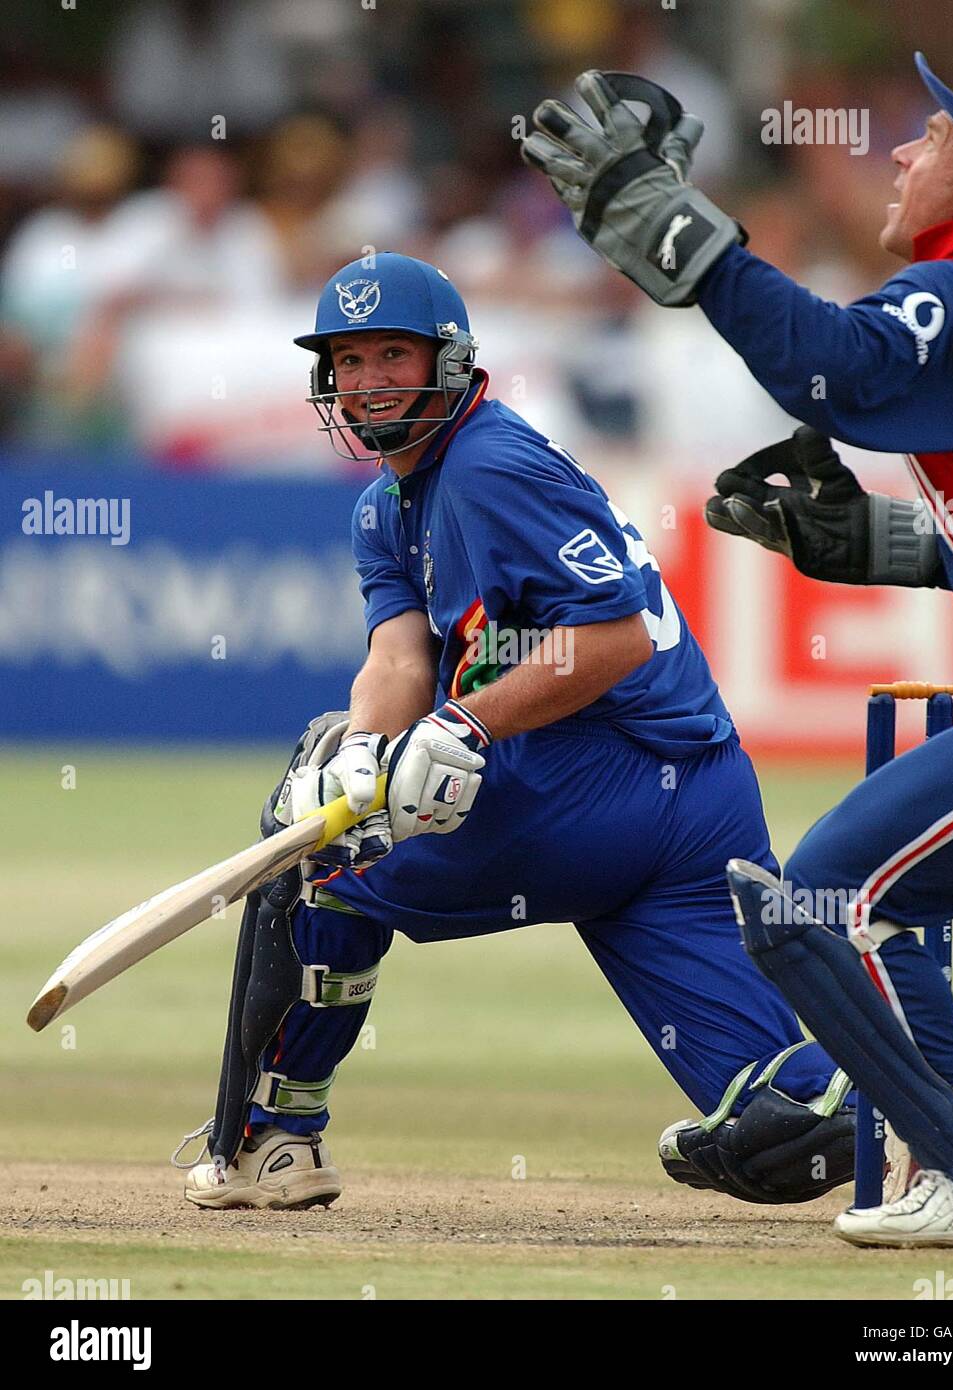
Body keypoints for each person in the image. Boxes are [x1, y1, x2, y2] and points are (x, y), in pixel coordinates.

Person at [173, 251, 854, 1210]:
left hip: (607, 778)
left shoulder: (488, 465)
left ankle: (273, 1141)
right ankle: (921, 1100)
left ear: (448, 361)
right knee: (786, 1125)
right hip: (699, 796)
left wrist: (460, 726)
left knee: (324, 856)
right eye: (350, 360)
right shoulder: (386, 504)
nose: (368, 382)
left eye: (392, 356)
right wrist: (368, 751)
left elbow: (611, 639)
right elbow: (400, 661)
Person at [521, 56, 953, 1246]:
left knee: (811, 897)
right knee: (863, 901)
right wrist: (874, 541)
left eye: (928, 142)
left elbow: (831, 369)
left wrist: (675, 232)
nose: (901, 154)